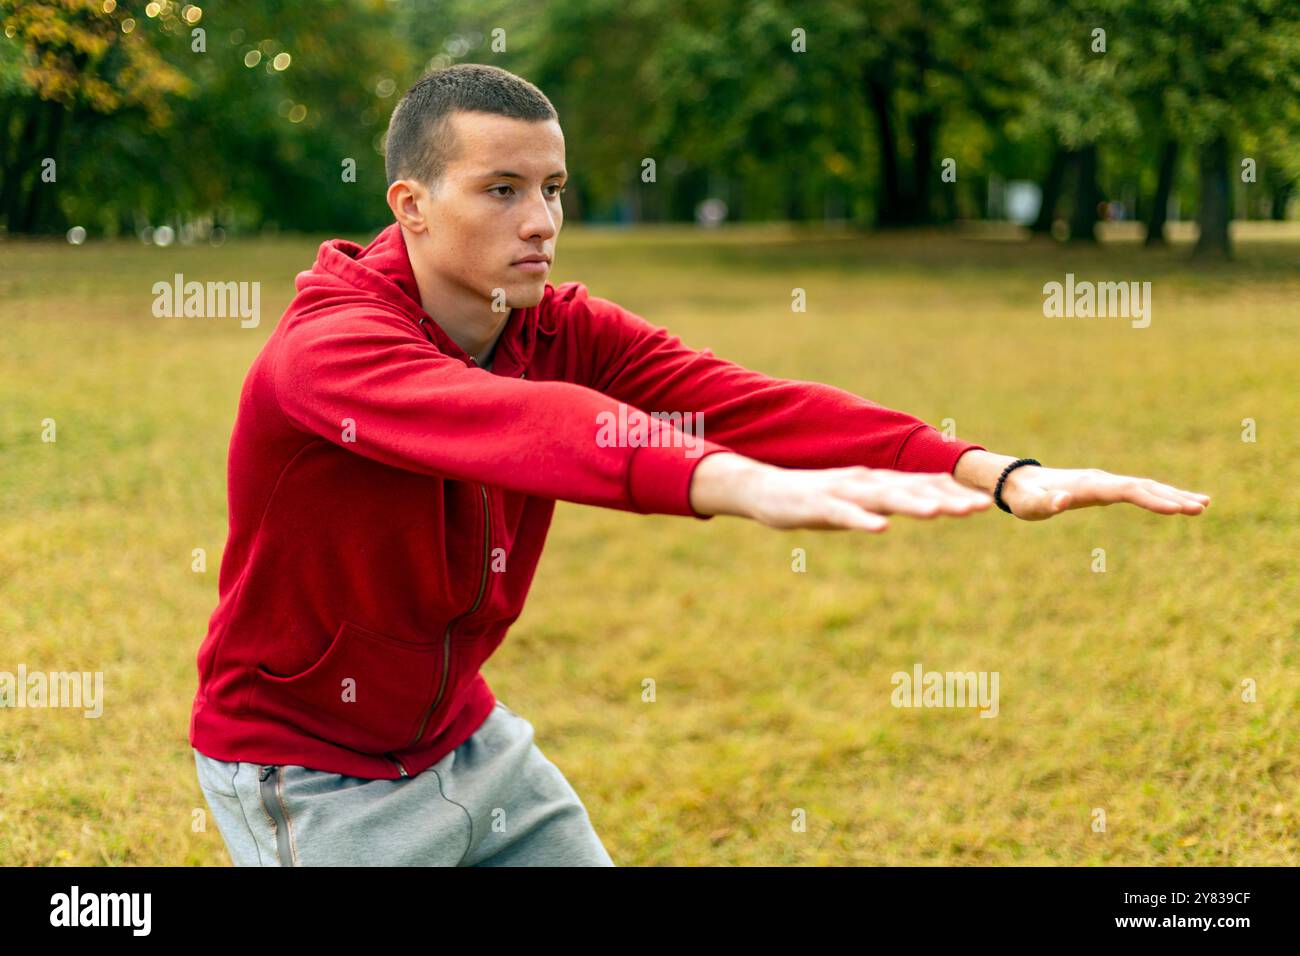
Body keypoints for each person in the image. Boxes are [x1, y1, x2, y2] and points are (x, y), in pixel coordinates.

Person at [189, 63, 1210, 867]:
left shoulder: (558, 323)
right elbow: (530, 424)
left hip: (466, 736)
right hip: (310, 769)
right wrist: (739, 484)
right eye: (500, 190)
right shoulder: (329, 350)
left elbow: (741, 400)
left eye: (551, 187)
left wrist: (987, 466)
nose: (539, 220)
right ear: (410, 204)